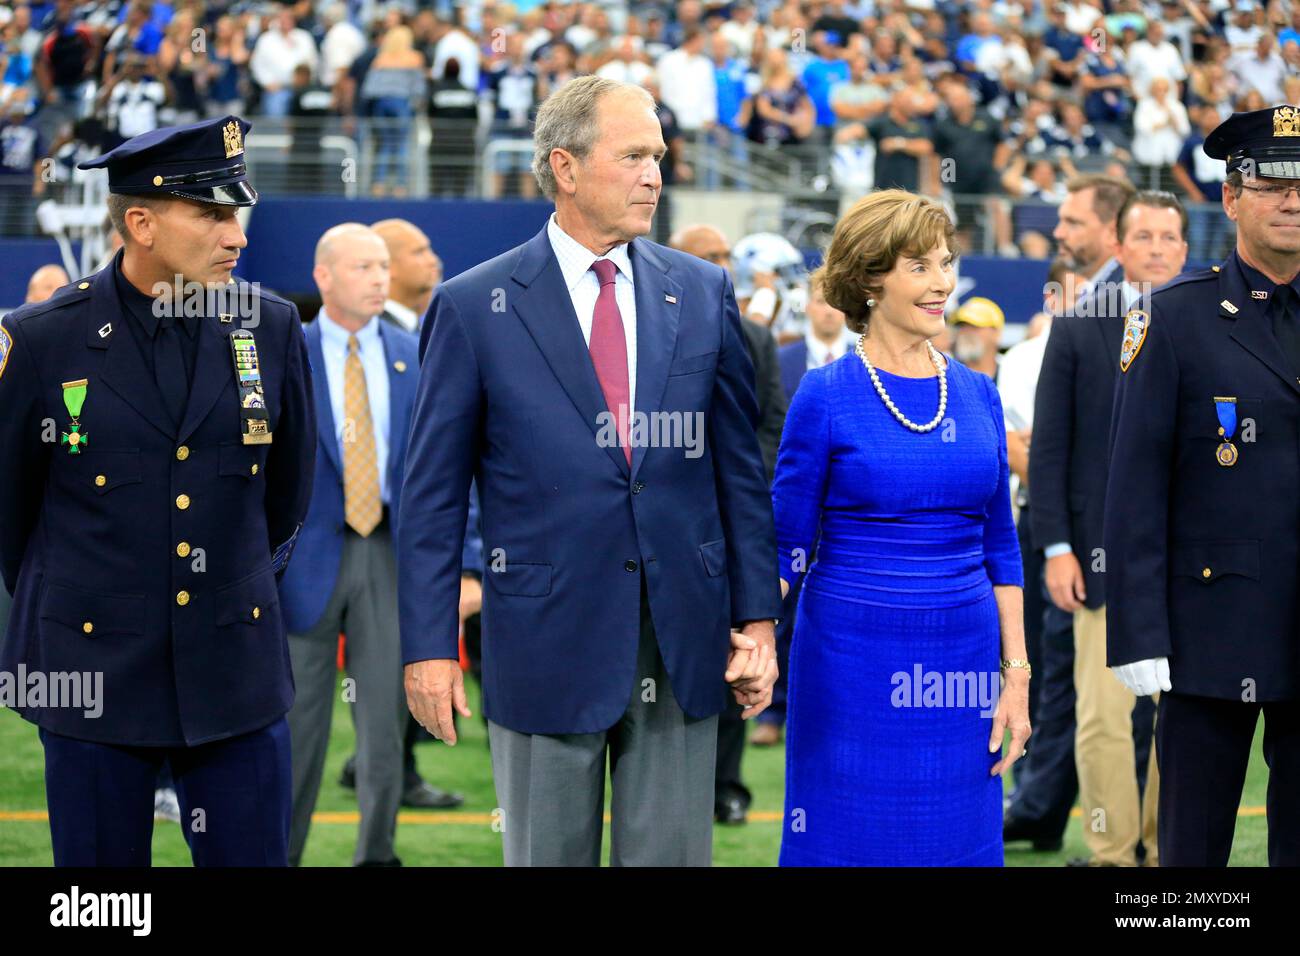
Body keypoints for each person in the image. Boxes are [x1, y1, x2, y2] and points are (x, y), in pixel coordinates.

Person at [398, 76, 782, 867]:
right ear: (565, 167)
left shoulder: (703, 289)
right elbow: (431, 497)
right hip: (544, 638)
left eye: (660, 157)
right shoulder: (476, 305)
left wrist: (758, 620)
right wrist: (428, 644)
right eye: (634, 155)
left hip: (682, 638)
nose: (655, 174)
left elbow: (737, 474)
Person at [0, 115, 316, 866]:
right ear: (139, 221)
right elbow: (12, 517)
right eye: (211, 213)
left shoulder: (267, 328)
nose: (236, 236)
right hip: (90, 679)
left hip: (233, 674)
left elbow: (287, 497)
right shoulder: (42, 338)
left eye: (237, 214)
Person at [774, 189, 1029, 866]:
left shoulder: (978, 393)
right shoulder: (823, 395)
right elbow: (786, 546)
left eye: (946, 262)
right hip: (849, 667)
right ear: (869, 278)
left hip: (965, 664)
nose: (943, 281)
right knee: (848, 838)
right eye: (920, 266)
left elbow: (1001, 546)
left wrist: (1019, 674)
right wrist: (749, 640)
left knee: (956, 841)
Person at [1106, 106, 1300, 867]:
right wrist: (1138, 630)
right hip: (1208, 631)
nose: (1292, 199)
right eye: (1272, 182)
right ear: (1230, 196)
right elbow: (1134, 485)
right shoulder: (1174, 319)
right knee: (1193, 854)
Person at [1034, 191, 1189, 867]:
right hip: (1096, 562)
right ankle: (1112, 854)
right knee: (1102, 719)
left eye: (1169, 237)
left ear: (1184, 249)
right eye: (1143, 236)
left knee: (1176, 718)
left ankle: (1163, 849)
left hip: (1188, 562)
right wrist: (1058, 548)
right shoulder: (1074, 329)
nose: (1156, 247)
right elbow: (1049, 451)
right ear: (1119, 249)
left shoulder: (1213, 325)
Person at [668, 222, 788, 825]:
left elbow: (768, 426)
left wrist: (740, 489)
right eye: (707, 256)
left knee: (739, 648)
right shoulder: (646, 330)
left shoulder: (755, 337)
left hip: (731, 521)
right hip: (671, 524)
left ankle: (726, 786)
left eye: (724, 256)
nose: (720, 266)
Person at [372, 218, 442, 335]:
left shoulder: (419, 328)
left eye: (430, 251)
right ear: (387, 265)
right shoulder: (373, 333)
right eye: (419, 252)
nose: (433, 261)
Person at [950, 296, 1003, 380]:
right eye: (961, 326)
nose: (966, 332)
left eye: (975, 326)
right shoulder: (943, 371)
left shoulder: (1015, 373)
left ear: (996, 333)